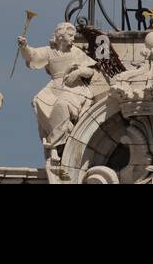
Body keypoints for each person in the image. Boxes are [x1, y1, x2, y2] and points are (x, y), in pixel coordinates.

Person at [18, 22, 97, 161]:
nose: (73, 38)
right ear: (61, 36)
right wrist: (24, 47)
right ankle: (53, 141)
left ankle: (53, 145)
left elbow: (90, 70)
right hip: (54, 87)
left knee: (62, 105)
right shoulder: (49, 51)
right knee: (38, 101)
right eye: (71, 35)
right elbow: (33, 55)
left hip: (73, 88)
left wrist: (78, 72)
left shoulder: (76, 52)